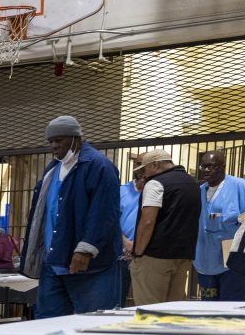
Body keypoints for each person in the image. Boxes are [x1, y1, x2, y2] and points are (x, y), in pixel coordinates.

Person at [19, 115, 122, 317]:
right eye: (50, 141)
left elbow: (104, 212)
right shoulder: (53, 169)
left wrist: (86, 249)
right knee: (47, 323)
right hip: (53, 262)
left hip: (89, 265)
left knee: (93, 322)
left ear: (76, 138)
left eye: (59, 140)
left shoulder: (98, 165)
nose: (53, 146)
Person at [130, 148, 201, 306]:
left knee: (150, 308)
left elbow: (148, 222)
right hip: (184, 254)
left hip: (155, 256)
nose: (143, 175)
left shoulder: (156, 183)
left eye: (145, 169)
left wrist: (138, 253)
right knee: (174, 308)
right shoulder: (192, 182)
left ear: (155, 165)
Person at [192, 150, 244, 302]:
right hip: (206, 258)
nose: (206, 170)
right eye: (203, 166)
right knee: (208, 306)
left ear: (223, 167)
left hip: (232, 259)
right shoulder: (200, 190)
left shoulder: (239, 186)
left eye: (211, 166)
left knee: (230, 305)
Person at [118, 167, 143, 305]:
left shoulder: (155, 191)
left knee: (145, 299)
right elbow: (111, 219)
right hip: (122, 254)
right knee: (118, 298)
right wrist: (125, 241)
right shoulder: (122, 191)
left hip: (144, 255)